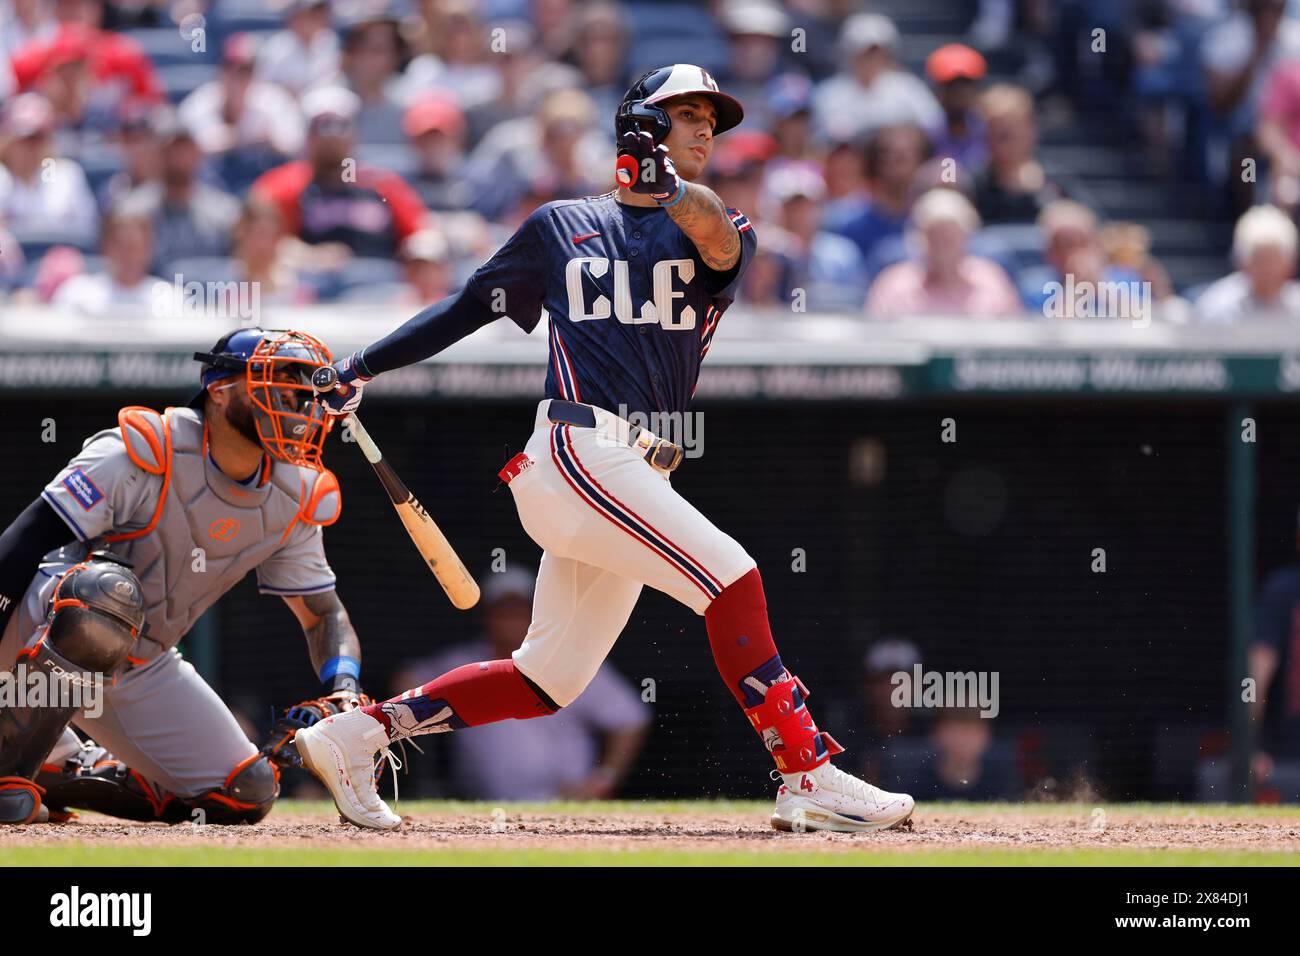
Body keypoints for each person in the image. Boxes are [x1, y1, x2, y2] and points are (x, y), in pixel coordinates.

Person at [295, 64, 916, 835]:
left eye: (709, 118)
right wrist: (360, 367)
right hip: (579, 449)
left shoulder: (723, 221)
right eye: (683, 113)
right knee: (734, 579)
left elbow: (718, 237)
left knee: (546, 678)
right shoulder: (559, 225)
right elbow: (466, 309)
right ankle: (806, 771)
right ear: (638, 124)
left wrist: (673, 191)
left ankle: (357, 735)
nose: (702, 128)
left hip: (627, 471)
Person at [0, 329, 369, 825]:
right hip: (42, 629)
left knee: (245, 791)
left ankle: (60, 767)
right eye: (277, 386)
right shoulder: (145, 448)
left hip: (140, 662)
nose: (294, 404)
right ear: (219, 389)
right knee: (104, 598)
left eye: (303, 393)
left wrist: (343, 686)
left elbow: (322, 613)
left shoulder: (297, 494)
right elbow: (23, 541)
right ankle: (7, 772)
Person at [392, 567, 650, 799]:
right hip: (486, 808)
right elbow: (408, 681)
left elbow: (629, 718)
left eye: (519, 610)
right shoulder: (465, 662)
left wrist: (602, 779)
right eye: (502, 611)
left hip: (563, 802)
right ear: (487, 616)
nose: (510, 619)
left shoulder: (570, 659)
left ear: (536, 613)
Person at [251, 86, 429, 261]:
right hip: (307, 286)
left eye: (341, 125)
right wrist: (309, 255)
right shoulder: (282, 186)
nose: (332, 135)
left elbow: (421, 235)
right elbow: (258, 242)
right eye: (323, 126)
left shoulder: (383, 185)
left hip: (382, 285)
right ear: (307, 133)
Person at [865, 188, 1021, 318]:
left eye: (949, 237)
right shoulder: (894, 284)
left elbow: (1011, 335)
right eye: (934, 237)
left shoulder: (990, 280)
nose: (942, 246)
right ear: (918, 239)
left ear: (966, 238)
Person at [1194, 204, 1300, 324]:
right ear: (1241, 262)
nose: (1267, 269)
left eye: (1273, 261)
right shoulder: (1215, 307)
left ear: (1290, 263)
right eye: (1260, 260)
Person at [51, 210, 165, 314]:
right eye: (121, 246)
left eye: (134, 247)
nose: (128, 255)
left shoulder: (168, 298)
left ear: (149, 249)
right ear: (105, 247)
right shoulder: (76, 293)